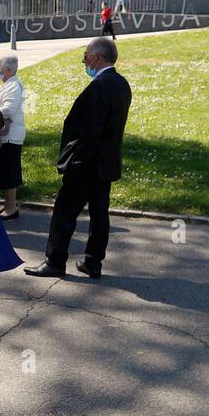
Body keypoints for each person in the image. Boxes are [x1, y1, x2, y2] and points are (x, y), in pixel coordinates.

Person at [24, 36, 131, 280]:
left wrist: (76, 159)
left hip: (87, 163)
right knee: (99, 213)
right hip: (107, 162)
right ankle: (93, 261)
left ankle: (55, 261)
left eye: (86, 56)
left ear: (98, 57)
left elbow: (89, 130)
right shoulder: (122, 84)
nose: (84, 61)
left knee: (64, 213)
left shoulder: (99, 87)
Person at [0, 55, 26, 220]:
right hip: (5, 135)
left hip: (10, 136)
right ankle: (8, 204)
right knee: (4, 171)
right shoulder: (8, 84)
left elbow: (9, 109)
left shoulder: (13, 86)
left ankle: (11, 208)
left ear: (8, 69)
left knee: (9, 172)